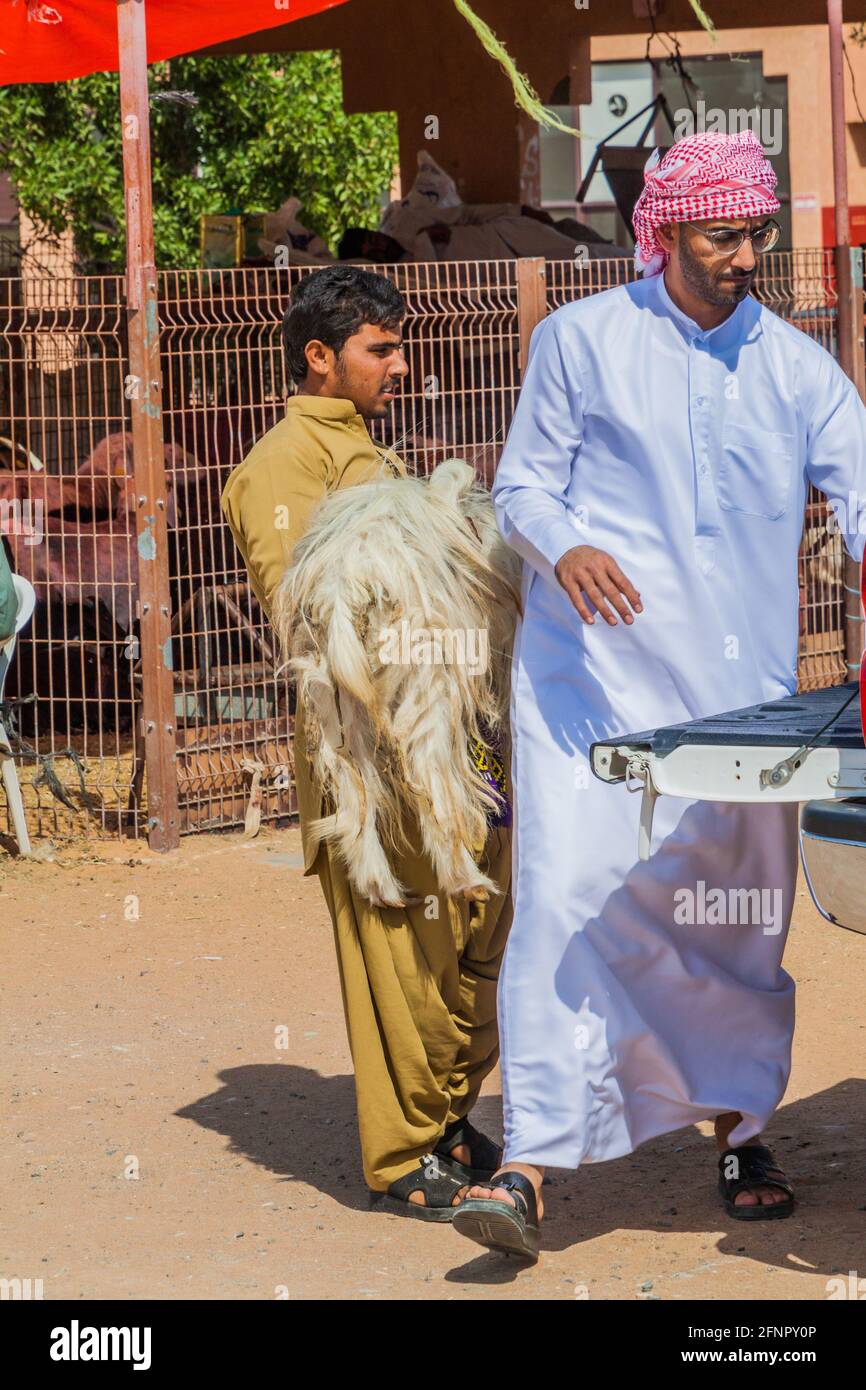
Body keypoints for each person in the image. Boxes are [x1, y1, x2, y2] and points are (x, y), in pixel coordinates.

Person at [452, 129, 866, 1263]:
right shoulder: (580, 342)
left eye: (754, 234)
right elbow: (522, 482)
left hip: (738, 697)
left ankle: (737, 1129)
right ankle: (527, 1163)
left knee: (730, 914)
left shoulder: (793, 365)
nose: (743, 256)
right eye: (720, 235)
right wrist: (566, 546)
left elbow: (861, 483)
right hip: (586, 687)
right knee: (562, 898)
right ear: (663, 233)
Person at [221, 266, 512, 1219]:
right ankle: (401, 1154)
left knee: (474, 926)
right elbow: (307, 613)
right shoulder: (279, 464)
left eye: (396, 345)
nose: (397, 362)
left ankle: (447, 1115)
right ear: (320, 357)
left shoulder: (373, 457)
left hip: (445, 739)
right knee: (398, 948)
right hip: (365, 754)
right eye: (378, 349)